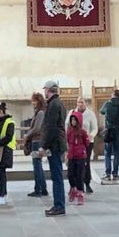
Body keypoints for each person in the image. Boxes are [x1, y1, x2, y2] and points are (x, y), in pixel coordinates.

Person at [38, 80, 68, 216]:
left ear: (48, 90)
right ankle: (58, 204)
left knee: (56, 177)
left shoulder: (53, 105)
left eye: (45, 90)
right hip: (58, 143)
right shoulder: (59, 103)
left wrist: (43, 146)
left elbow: (50, 127)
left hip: (55, 144)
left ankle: (59, 206)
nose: (44, 92)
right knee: (57, 176)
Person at [23, 92, 48, 197]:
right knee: (38, 166)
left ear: (39, 101)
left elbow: (37, 128)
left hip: (37, 141)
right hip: (36, 141)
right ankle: (43, 189)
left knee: (37, 166)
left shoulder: (41, 113)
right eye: (32, 101)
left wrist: (27, 135)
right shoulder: (38, 112)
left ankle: (38, 189)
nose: (33, 103)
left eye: (35, 100)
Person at [66, 109, 90, 205]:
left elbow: (86, 142)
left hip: (80, 156)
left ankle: (80, 193)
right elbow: (68, 142)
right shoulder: (69, 132)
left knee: (80, 175)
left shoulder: (83, 132)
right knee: (70, 175)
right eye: (72, 120)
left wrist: (82, 150)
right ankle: (73, 188)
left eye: (75, 120)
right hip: (71, 156)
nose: (73, 122)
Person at [101, 89, 119, 183]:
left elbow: (102, 111)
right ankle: (115, 174)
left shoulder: (107, 103)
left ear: (113, 94)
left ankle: (107, 173)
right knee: (117, 153)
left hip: (109, 130)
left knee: (107, 153)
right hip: (118, 131)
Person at [75, 96, 97, 193]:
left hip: (87, 142)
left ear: (86, 103)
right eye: (78, 102)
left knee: (85, 162)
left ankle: (87, 183)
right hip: (76, 142)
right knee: (76, 163)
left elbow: (94, 128)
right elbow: (67, 125)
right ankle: (77, 185)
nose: (80, 104)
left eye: (82, 102)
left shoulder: (90, 114)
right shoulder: (73, 113)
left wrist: (91, 135)